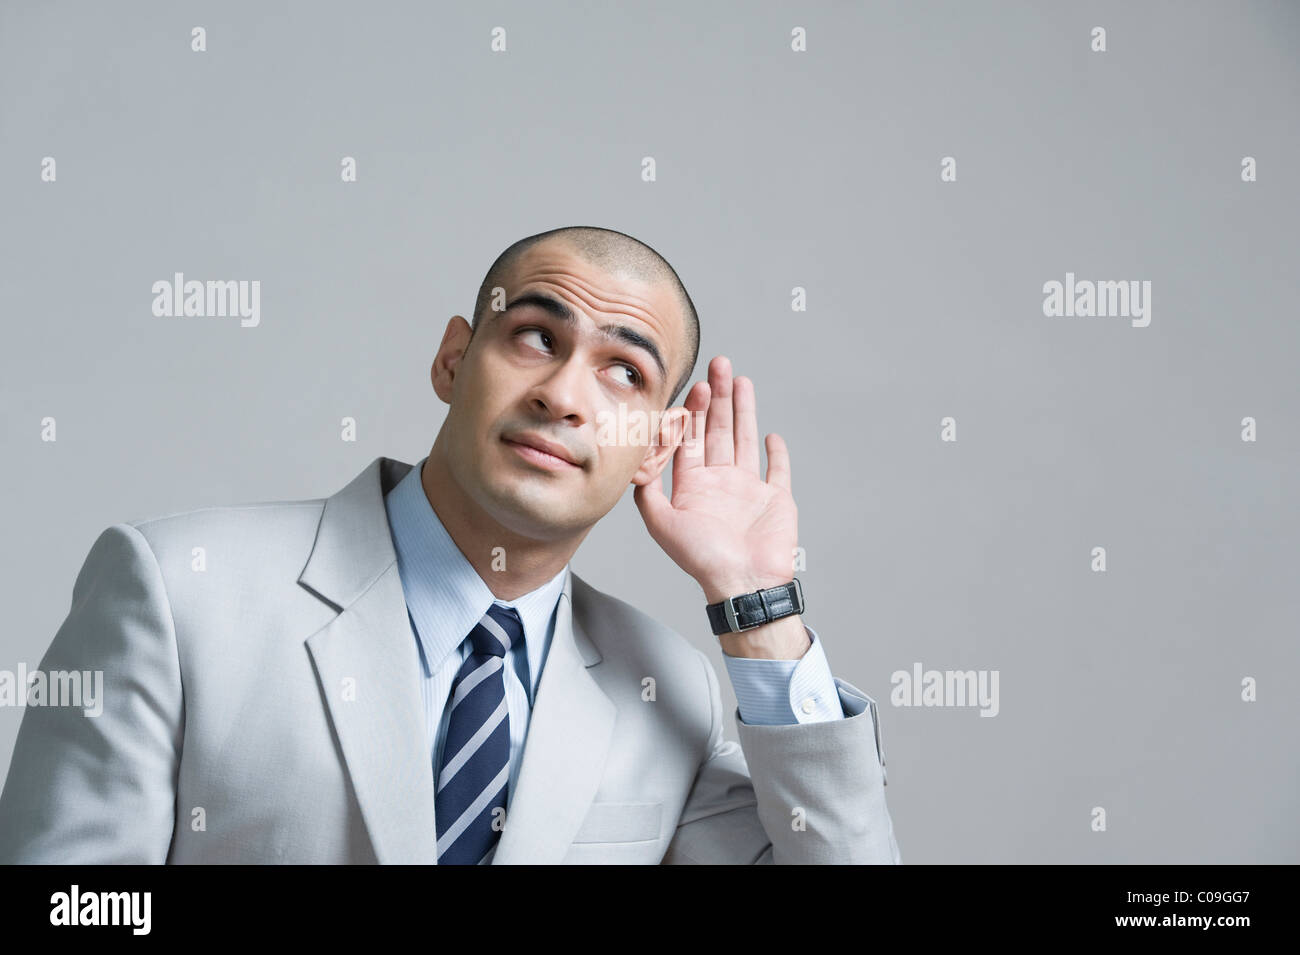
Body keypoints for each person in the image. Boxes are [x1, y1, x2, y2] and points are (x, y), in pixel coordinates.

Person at [0, 226, 900, 864]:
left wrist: (756, 604)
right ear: (452, 360)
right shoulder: (177, 591)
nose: (563, 394)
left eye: (624, 370)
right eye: (536, 337)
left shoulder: (675, 694)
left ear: (657, 444)